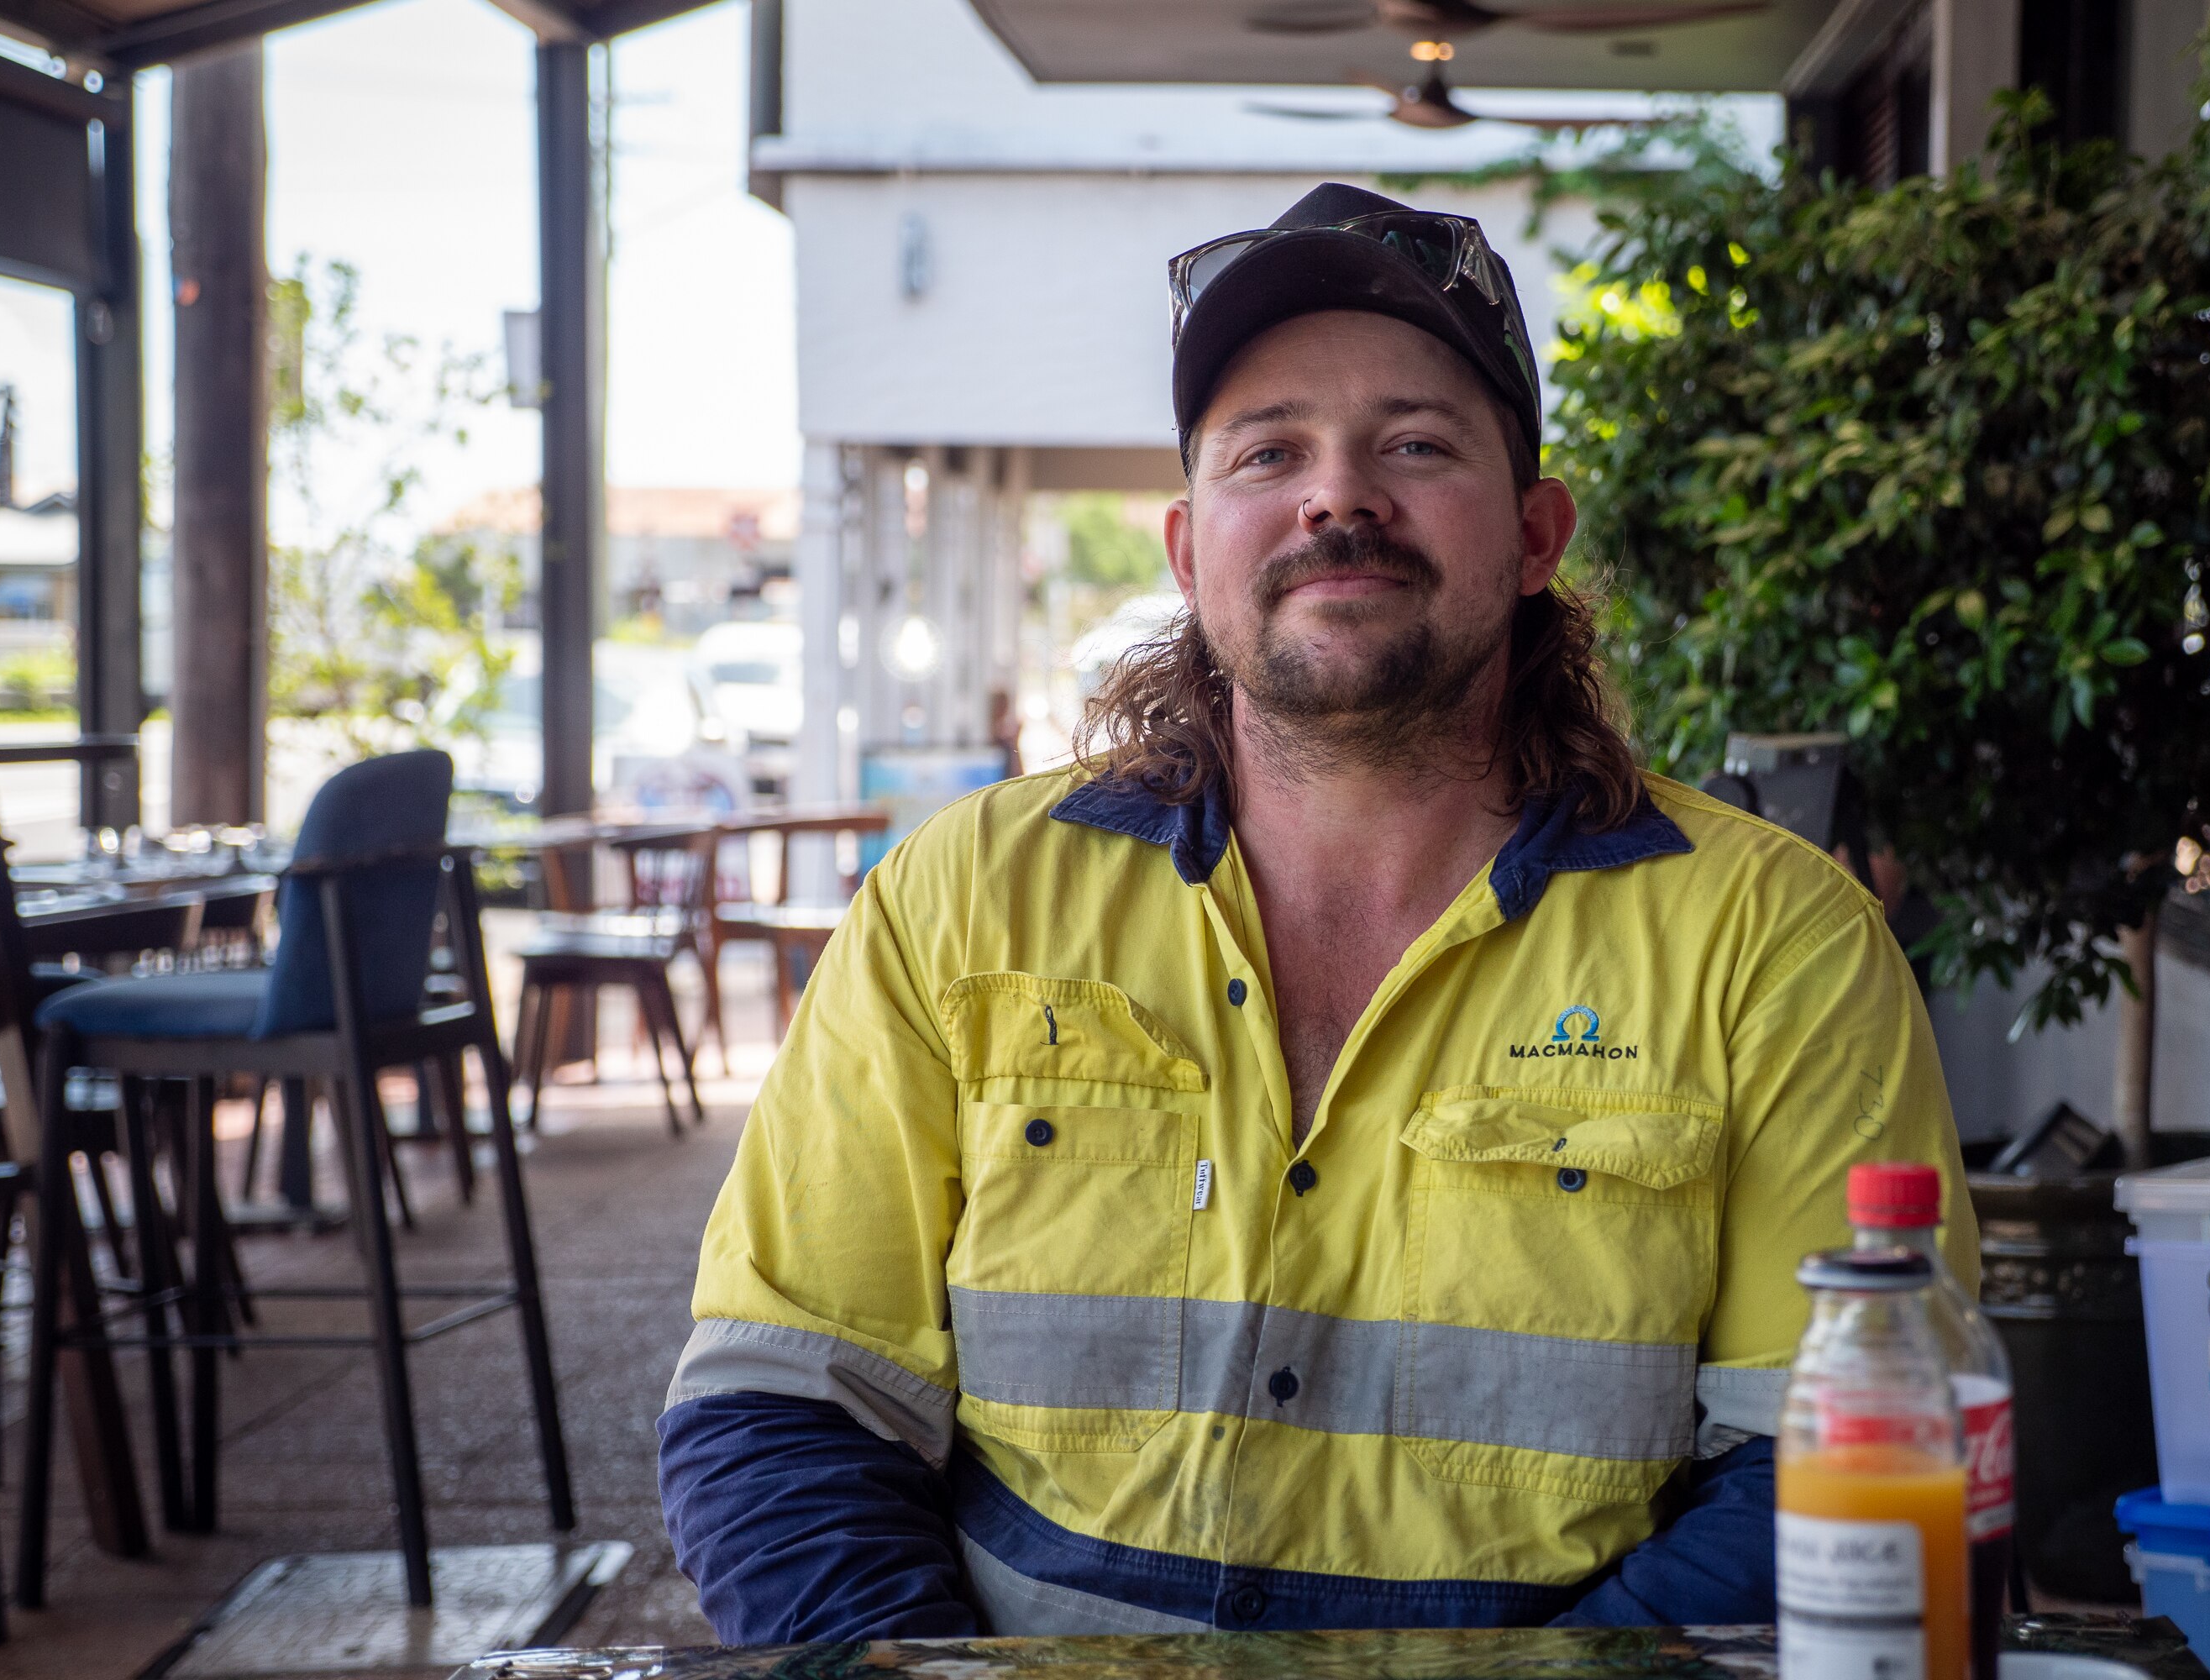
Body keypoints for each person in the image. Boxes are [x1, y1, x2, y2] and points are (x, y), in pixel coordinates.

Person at [658, 182, 1977, 1642]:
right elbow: (781, 1404)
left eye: (1415, 445)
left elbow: (1836, 1465)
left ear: (1537, 534)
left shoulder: (1775, 941)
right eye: (1269, 451)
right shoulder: (961, 896)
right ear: (1187, 553)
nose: (1337, 498)